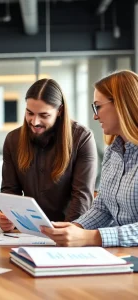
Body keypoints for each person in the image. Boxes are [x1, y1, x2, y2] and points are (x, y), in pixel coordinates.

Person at [41, 70, 138, 247]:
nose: (95, 115)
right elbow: (103, 207)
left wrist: (92, 237)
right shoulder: (113, 152)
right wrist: (74, 228)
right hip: (119, 254)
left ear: (122, 105)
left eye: (98, 106)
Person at [0, 78, 97, 232]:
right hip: (27, 231)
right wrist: (9, 217)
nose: (35, 122)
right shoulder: (13, 140)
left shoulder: (81, 138)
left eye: (44, 115)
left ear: (59, 111)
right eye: (30, 113)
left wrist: (66, 231)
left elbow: (82, 196)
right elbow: (10, 190)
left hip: (69, 229)